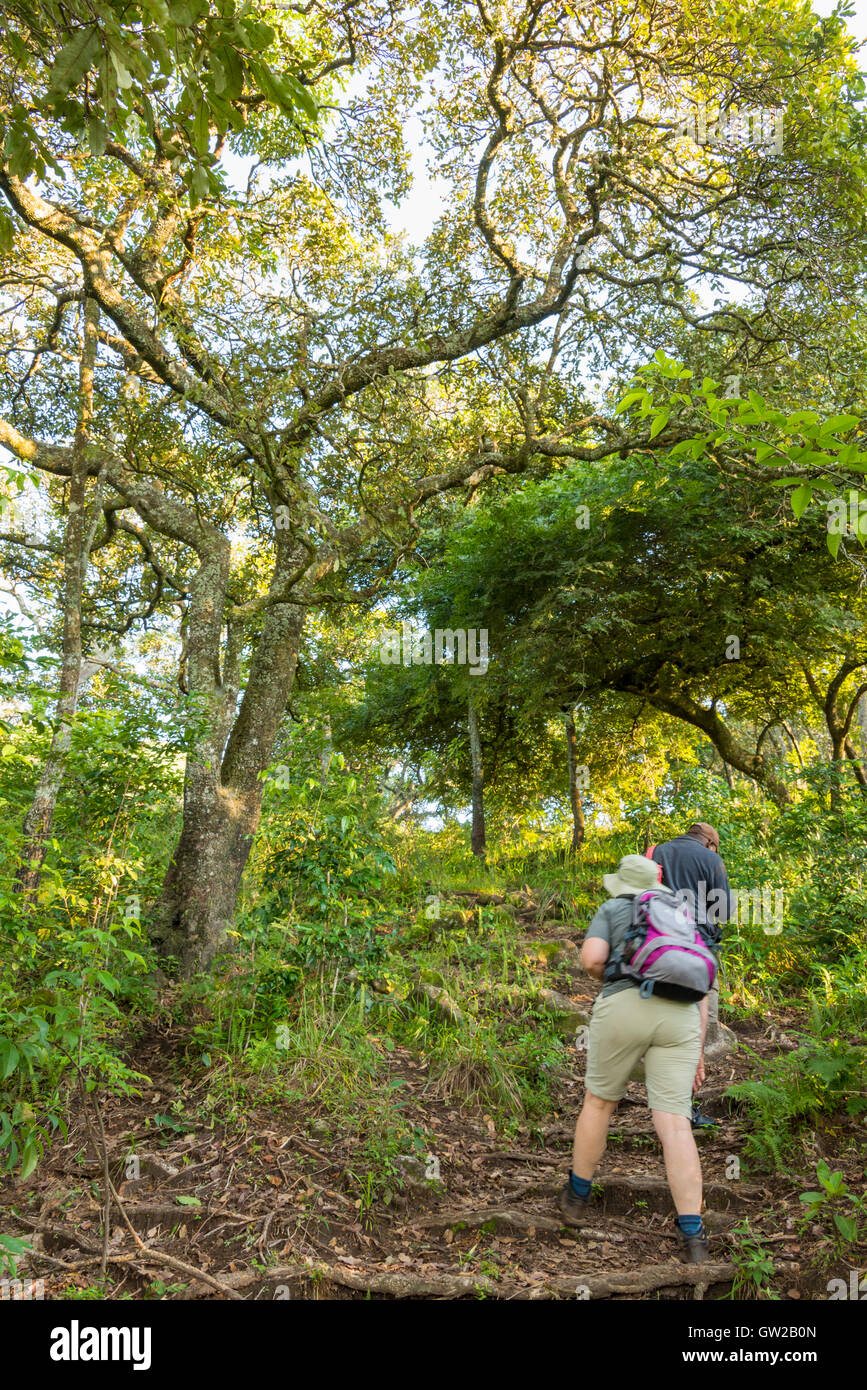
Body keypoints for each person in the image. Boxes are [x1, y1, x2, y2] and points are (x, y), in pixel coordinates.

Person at [559, 854, 711, 1263]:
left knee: (600, 1101)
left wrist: (613, 976)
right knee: (676, 1124)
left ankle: (576, 1197)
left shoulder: (613, 907)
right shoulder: (682, 913)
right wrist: (697, 1050)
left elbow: (591, 959)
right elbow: (700, 986)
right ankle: (694, 1237)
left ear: (620, 884)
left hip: (625, 1003)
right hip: (682, 1017)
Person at [649, 822, 731, 1127]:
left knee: (663, 1021)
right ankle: (683, 1109)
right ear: (709, 842)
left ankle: (664, 1100)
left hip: (657, 948)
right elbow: (723, 911)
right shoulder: (712, 860)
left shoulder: (656, 852)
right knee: (698, 1025)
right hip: (697, 951)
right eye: (717, 846)